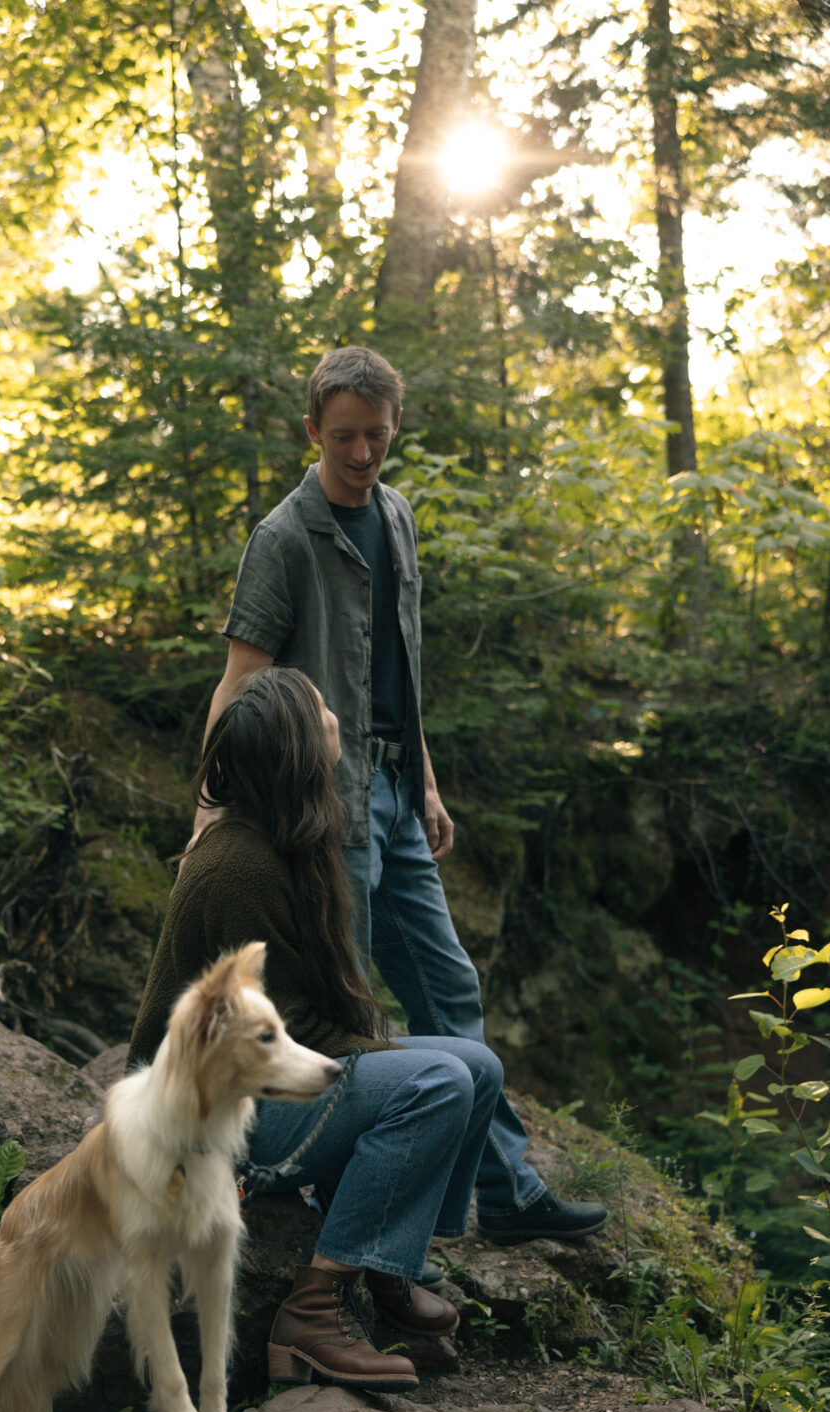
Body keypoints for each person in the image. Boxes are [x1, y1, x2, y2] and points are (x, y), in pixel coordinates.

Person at [191, 345, 606, 1245]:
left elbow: (395, 668)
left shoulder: (399, 517)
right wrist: (208, 807)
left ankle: (502, 1190)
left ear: (394, 429)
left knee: (449, 985)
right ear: (312, 431)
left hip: (393, 787)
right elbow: (240, 681)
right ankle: (347, 1206)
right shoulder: (283, 538)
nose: (360, 454)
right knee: (350, 1001)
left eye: (375, 436)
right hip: (322, 799)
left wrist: (424, 781)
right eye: (342, 437)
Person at [130, 668, 507, 1391]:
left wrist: (373, 1048)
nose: (338, 716)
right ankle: (313, 1312)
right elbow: (262, 1041)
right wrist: (380, 1059)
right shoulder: (237, 866)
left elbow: (315, 1014)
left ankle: (384, 1265)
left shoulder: (288, 839)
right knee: (434, 1082)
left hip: (273, 1081)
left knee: (477, 1067)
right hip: (209, 1126)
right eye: (324, 709)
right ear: (300, 746)